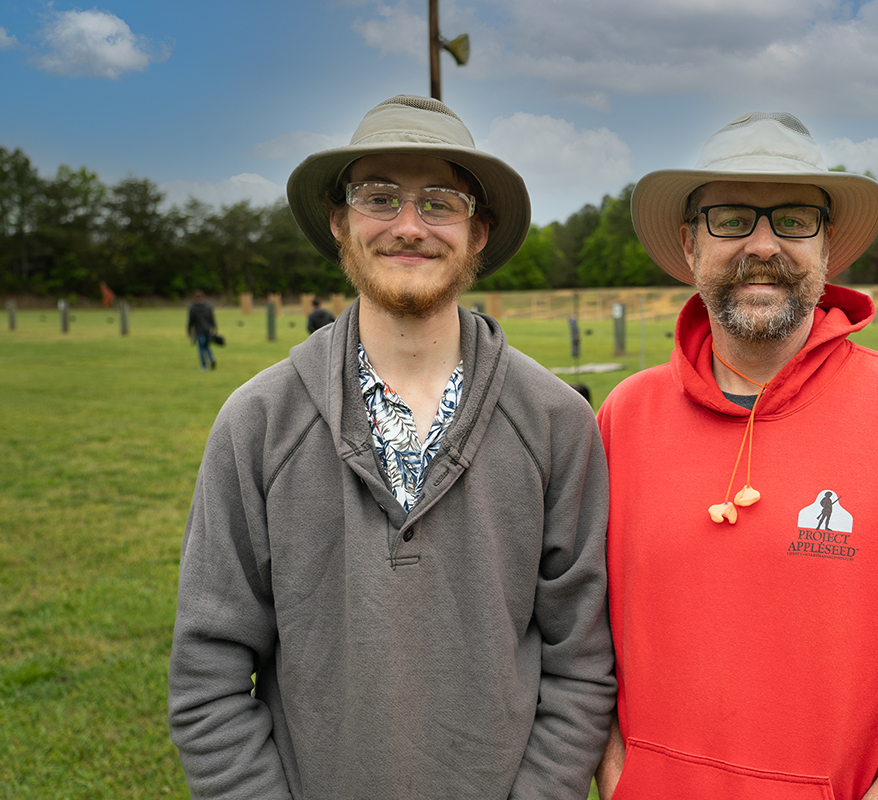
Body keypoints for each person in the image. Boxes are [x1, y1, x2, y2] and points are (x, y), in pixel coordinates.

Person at [168, 95, 616, 799]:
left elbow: (581, 665)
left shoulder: (557, 421)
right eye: (379, 198)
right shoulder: (257, 422)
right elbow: (207, 679)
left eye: (440, 202)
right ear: (339, 222)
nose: (409, 226)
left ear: (479, 231)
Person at [595, 112, 878, 800]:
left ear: (827, 244)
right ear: (689, 243)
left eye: (794, 220)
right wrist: (622, 781)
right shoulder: (623, 417)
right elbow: (577, 640)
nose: (763, 245)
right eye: (731, 219)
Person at [186, 290, 217, 370]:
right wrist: (215, 329)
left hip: (199, 331)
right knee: (206, 346)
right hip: (207, 330)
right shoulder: (208, 307)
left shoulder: (193, 308)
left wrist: (189, 331)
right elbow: (212, 319)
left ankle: (204, 366)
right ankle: (211, 358)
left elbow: (190, 321)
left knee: (201, 348)